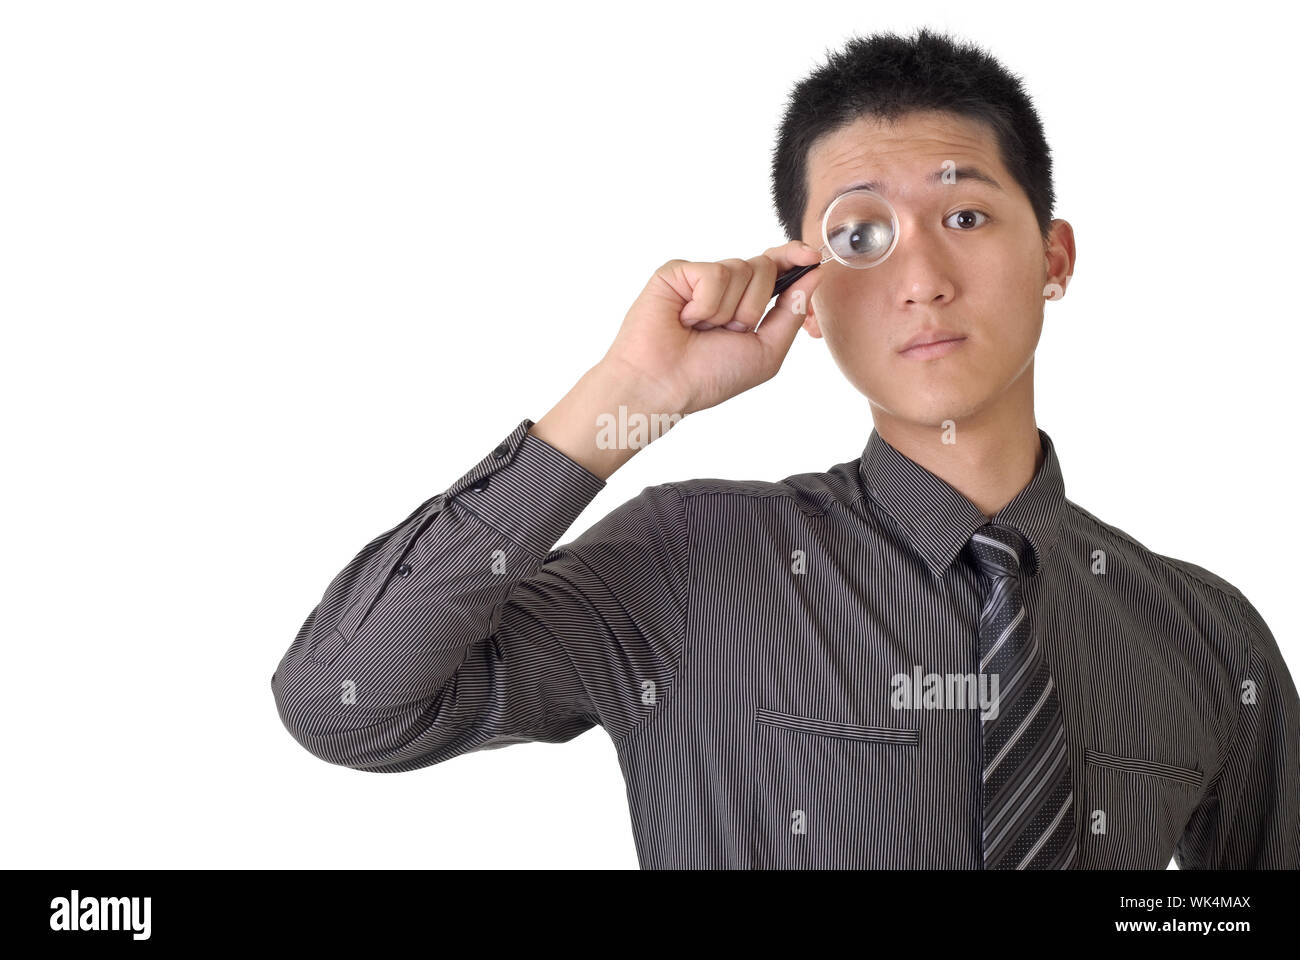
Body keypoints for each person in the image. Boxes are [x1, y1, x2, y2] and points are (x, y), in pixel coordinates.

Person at [270, 26, 1298, 869]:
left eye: (967, 213)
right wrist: (625, 398)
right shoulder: (686, 564)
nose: (922, 276)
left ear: (1054, 258)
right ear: (805, 298)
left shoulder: (1204, 639)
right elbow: (346, 702)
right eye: (860, 236)